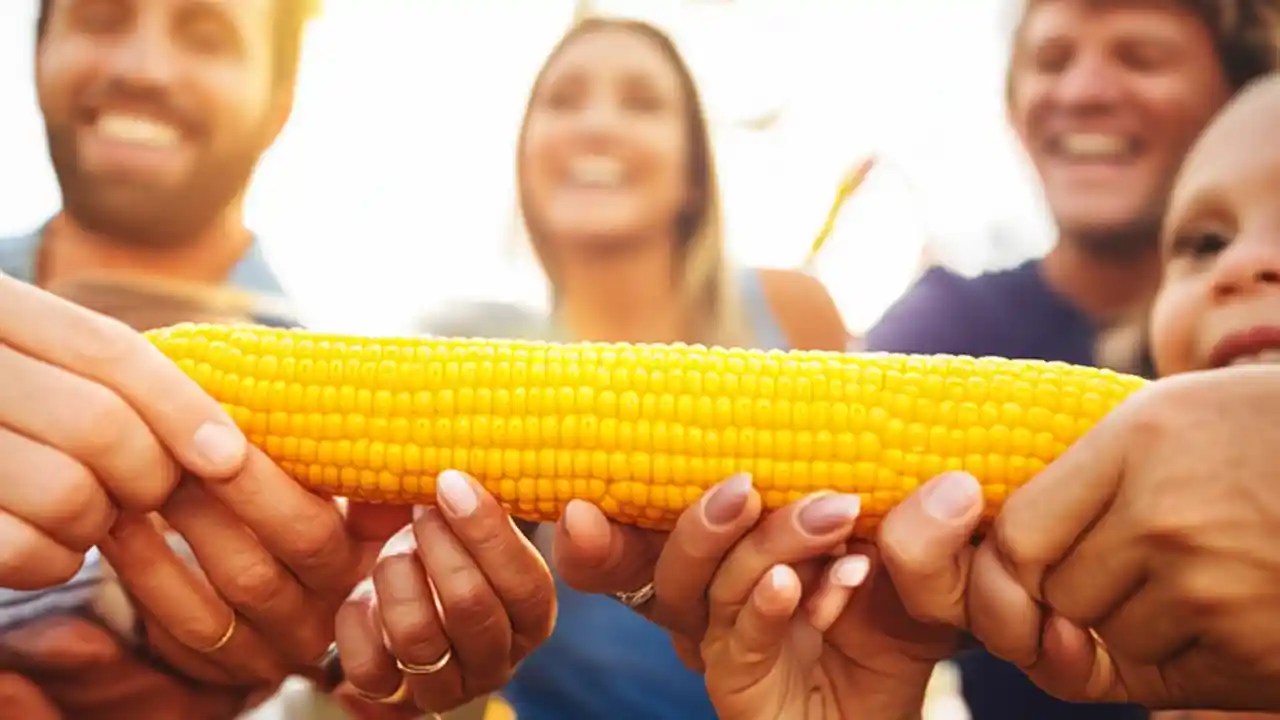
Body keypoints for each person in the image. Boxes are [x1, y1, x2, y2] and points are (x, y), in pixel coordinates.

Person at [1, 1, 555, 717]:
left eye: (206, 36)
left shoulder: (359, 477)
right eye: (102, 17)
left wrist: (352, 682)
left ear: (278, 101)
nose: (143, 68)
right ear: (40, 52)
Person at [381, 16, 847, 720]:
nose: (596, 125)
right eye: (564, 100)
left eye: (641, 102)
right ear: (526, 160)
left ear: (695, 175)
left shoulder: (791, 310)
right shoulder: (480, 375)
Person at [858, 1, 1280, 717]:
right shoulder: (946, 322)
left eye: (1140, 57)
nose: (1082, 91)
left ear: (1237, 93)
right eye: (1202, 244)